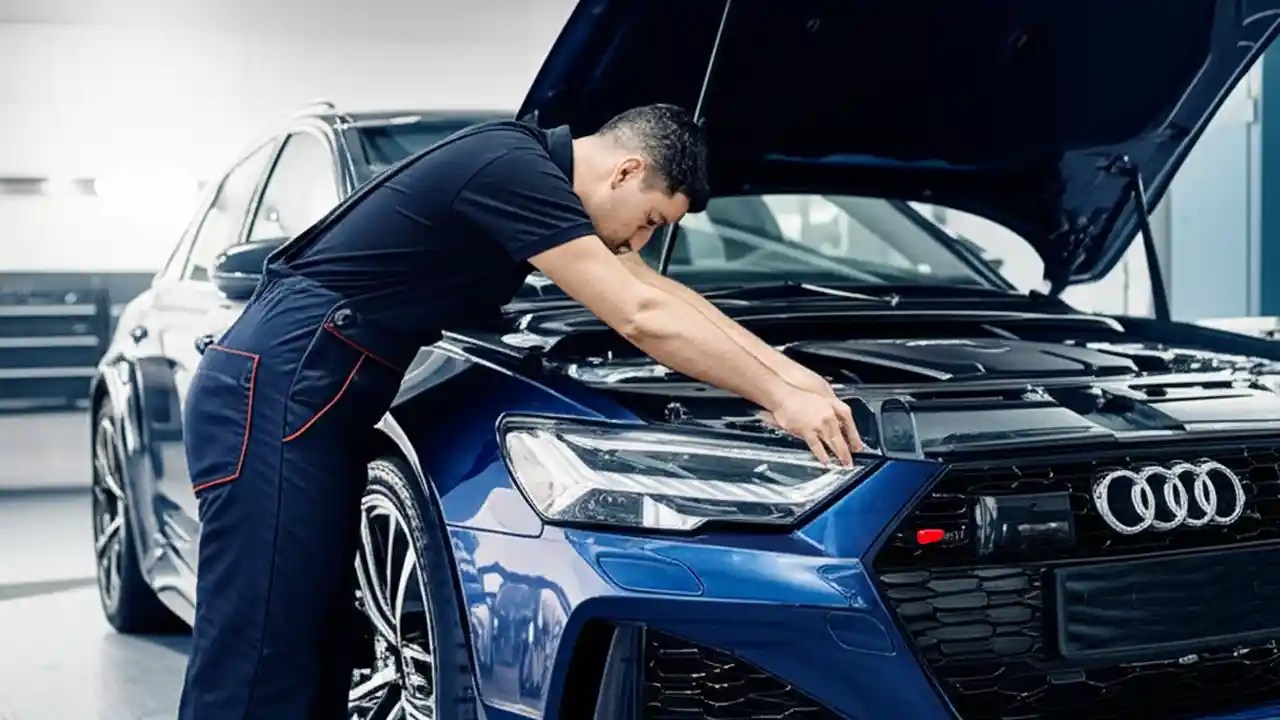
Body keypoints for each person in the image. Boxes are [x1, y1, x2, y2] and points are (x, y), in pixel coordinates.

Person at [177, 103, 865, 719]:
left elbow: (666, 295)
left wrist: (799, 380)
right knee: (260, 644)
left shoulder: (530, 174)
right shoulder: (509, 168)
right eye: (652, 221)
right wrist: (775, 400)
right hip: (276, 386)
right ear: (626, 171)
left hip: (312, 396)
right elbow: (641, 316)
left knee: (316, 637)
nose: (640, 242)